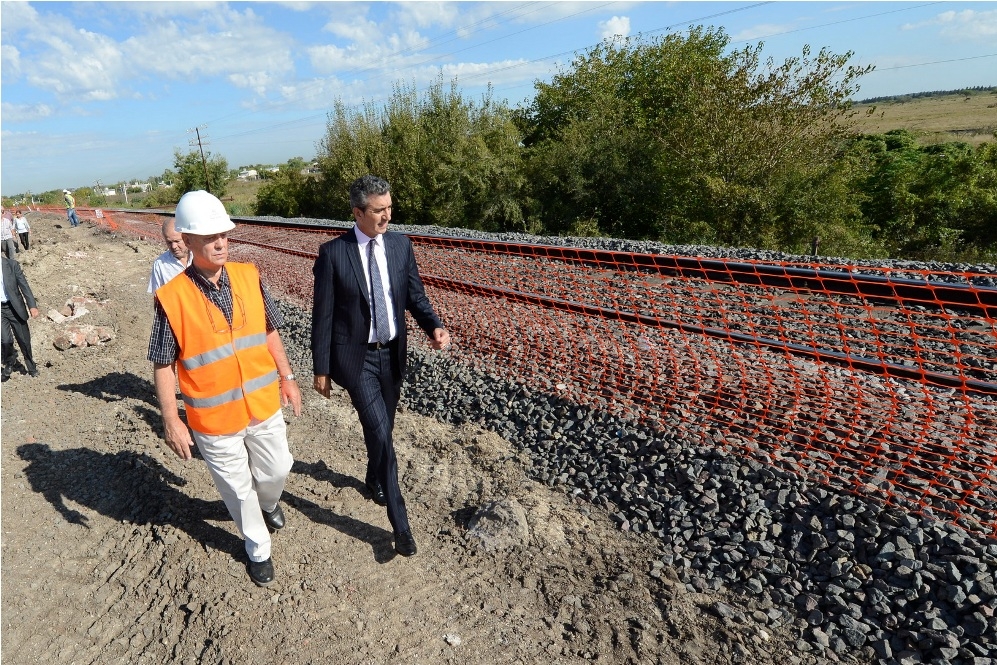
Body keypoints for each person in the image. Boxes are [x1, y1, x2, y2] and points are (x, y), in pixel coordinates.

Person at [148, 190, 301, 587]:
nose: (220, 242)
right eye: (210, 236)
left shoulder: (249, 277)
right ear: (189, 240)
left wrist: (287, 377)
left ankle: (268, 503)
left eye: (225, 234)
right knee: (236, 488)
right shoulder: (172, 297)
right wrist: (170, 418)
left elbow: (269, 330)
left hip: (262, 402)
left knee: (277, 468)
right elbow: (163, 362)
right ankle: (258, 548)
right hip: (214, 418)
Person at [311, 174, 451, 558]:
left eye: (390, 207)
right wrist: (320, 367)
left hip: (392, 353)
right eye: (378, 210)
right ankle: (400, 525)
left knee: (382, 428)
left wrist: (433, 325)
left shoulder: (400, 246)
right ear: (357, 212)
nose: (387, 216)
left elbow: (414, 296)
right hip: (355, 358)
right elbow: (322, 315)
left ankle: (373, 478)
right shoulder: (333, 254)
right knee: (383, 436)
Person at [2, 254, 40, 381]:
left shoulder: (12, 265)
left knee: (24, 341)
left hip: (15, 308)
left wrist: (32, 306)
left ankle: (31, 365)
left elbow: (24, 286)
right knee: (5, 339)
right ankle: (9, 361)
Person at [147, 217, 191, 293]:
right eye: (169, 242)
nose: (174, 246)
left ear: (187, 238)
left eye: (177, 241)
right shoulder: (160, 265)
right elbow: (158, 296)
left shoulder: (201, 257)